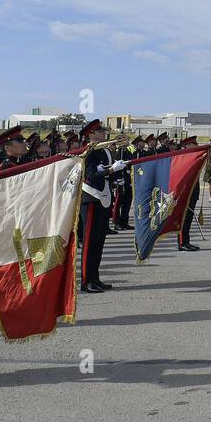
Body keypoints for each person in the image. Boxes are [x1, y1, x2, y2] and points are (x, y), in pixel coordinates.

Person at [78, 119, 126, 292]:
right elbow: (90, 175)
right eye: (100, 131)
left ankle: (95, 277)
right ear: (91, 134)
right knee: (90, 242)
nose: (104, 133)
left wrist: (115, 176)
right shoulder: (88, 151)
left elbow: (104, 170)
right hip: (90, 197)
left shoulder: (103, 150)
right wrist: (111, 170)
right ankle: (86, 281)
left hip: (103, 196)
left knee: (99, 242)